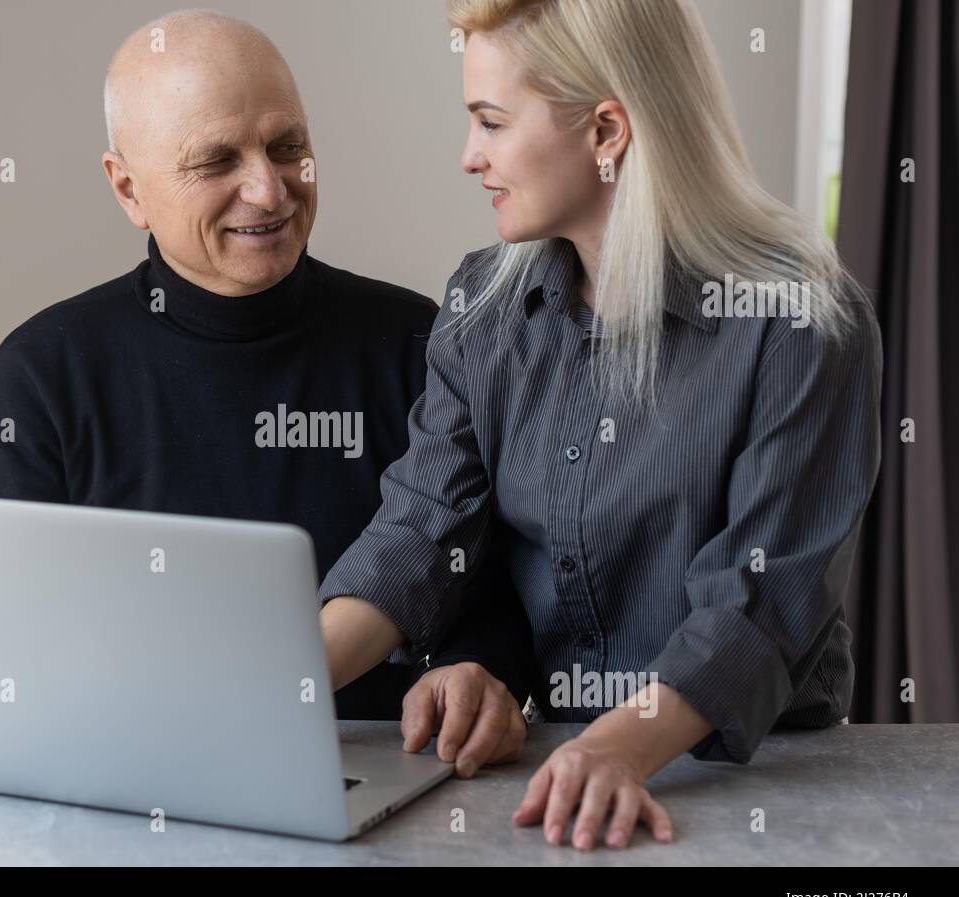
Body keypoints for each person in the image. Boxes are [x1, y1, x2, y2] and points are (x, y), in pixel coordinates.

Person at [0, 10, 531, 779]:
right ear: (129, 188)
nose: (268, 189)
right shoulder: (47, 370)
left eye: (288, 147)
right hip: (126, 779)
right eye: (216, 161)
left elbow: (493, 599)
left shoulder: (418, 341)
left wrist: (478, 675)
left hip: (376, 777)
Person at [320, 0, 883, 850]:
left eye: (491, 123)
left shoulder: (800, 322)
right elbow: (417, 534)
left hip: (761, 785)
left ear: (607, 131)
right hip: (567, 772)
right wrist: (270, 690)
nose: (469, 156)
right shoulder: (482, 309)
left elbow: (756, 608)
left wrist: (613, 749)